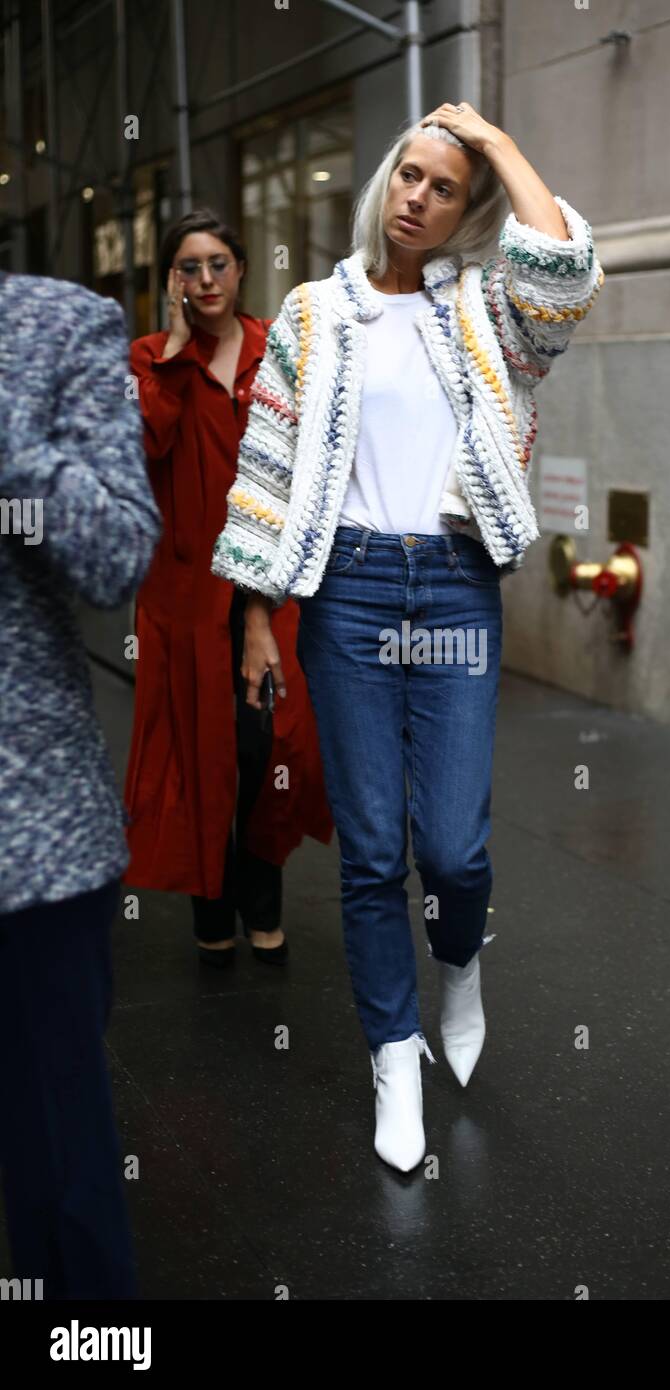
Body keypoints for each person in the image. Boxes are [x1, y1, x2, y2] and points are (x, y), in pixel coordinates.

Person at [211, 102, 604, 1171]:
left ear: (463, 208)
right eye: (410, 177)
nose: (418, 198)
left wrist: (497, 145)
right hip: (346, 590)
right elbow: (267, 465)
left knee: (454, 849)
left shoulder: (484, 309)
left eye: (444, 186)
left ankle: (459, 962)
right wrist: (255, 616)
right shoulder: (311, 312)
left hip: (454, 583)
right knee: (374, 849)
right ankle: (393, 1052)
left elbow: (565, 275)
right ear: (383, 181)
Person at [0, 270, 162, 1296]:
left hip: (26, 845)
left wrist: (11, 451)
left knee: (59, 1183)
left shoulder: (55, 325)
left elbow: (118, 558)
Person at [124, 211, 333, 967]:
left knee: (281, 746)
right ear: (172, 279)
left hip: (272, 586)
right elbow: (149, 444)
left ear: (240, 269)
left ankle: (260, 889)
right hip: (182, 596)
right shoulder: (150, 358)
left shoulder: (281, 347)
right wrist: (178, 357)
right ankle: (214, 905)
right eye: (189, 267)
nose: (205, 279)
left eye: (217, 264)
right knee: (200, 754)